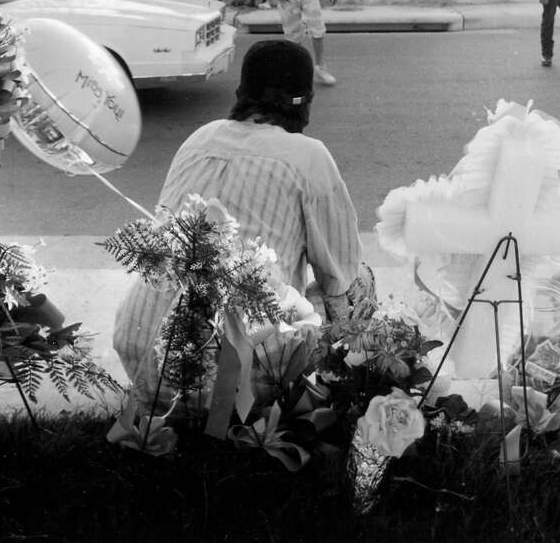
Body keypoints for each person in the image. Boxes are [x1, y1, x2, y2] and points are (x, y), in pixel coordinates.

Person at [111, 39, 372, 407]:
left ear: (240, 94)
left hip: (143, 350)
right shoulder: (309, 155)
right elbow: (338, 271)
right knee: (358, 282)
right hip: (233, 375)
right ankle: (332, 400)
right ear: (305, 102)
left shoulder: (198, 138)